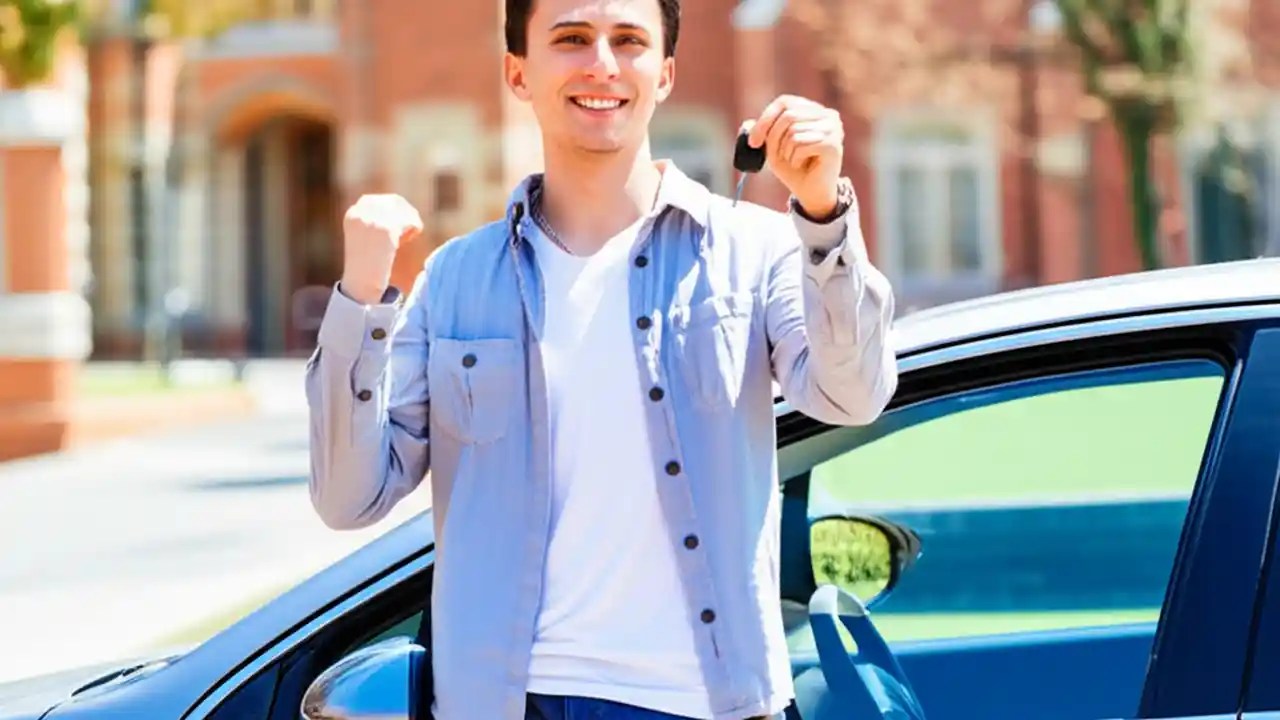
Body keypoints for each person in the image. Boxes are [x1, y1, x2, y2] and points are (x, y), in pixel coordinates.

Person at [305, 0, 899, 718]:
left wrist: (824, 215)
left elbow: (854, 395)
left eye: (629, 41)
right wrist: (360, 301)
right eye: (572, 39)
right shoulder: (455, 280)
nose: (603, 65)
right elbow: (348, 496)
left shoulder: (757, 248)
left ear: (666, 72)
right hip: (510, 703)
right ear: (517, 73)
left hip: (712, 703)